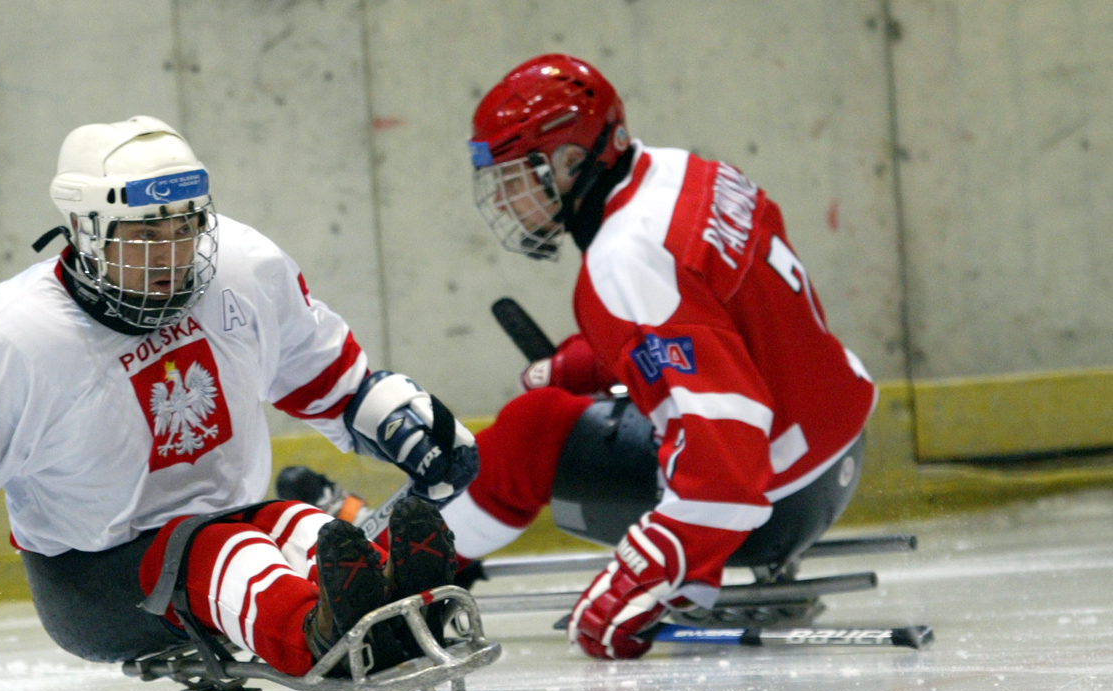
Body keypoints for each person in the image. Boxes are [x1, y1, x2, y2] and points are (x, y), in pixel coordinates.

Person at [0, 116, 477, 691]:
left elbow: (323, 374)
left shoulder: (242, 266)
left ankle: (398, 612)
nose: (174, 258)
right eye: (147, 236)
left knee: (306, 526)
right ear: (86, 231)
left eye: (185, 230)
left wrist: (393, 418)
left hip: (234, 518)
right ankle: (320, 632)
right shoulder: (15, 341)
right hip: (94, 579)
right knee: (226, 552)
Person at [284, 54, 876, 660]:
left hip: (766, 502)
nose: (506, 202)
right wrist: (584, 362)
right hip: (834, 455)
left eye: (514, 178)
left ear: (569, 160)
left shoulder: (624, 257)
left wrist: (642, 579)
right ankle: (402, 536)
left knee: (534, 429)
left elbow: (726, 454)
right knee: (559, 402)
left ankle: (388, 569)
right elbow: (725, 324)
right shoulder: (686, 173)